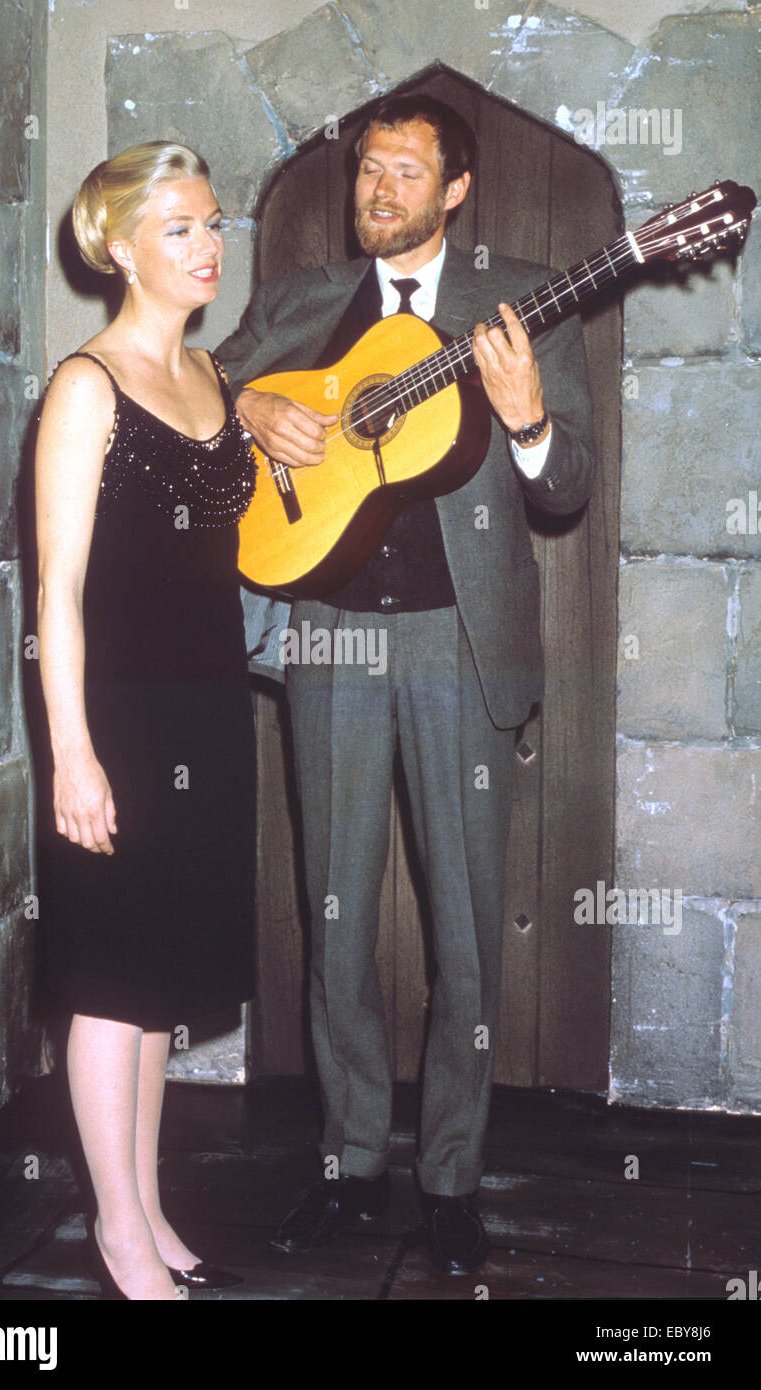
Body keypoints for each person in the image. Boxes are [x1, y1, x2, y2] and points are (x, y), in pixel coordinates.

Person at [217, 94, 595, 1274]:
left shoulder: (518, 300)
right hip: (328, 636)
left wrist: (530, 422)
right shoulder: (294, 306)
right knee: (334, 920)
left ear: (458, 189)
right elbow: (179, 406)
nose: (377, 190)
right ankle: (347, 1160)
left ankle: (451, 1176)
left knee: (469, 932)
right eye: (366, 170)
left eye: (404, 172)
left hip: (455, 648)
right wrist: (248, 405)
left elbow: (567, 482)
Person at [36, 142, 256, 1300]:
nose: (207, 244)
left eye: (212, 222)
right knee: (112, 981)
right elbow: (56, 590)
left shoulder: (214, 377)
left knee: (164, 981)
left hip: (208, 713)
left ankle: (150, 1203)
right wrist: (72, 750)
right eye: (179, 227)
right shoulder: (86, 385)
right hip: (116, 716)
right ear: (121, 246)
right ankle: (118, 1236)